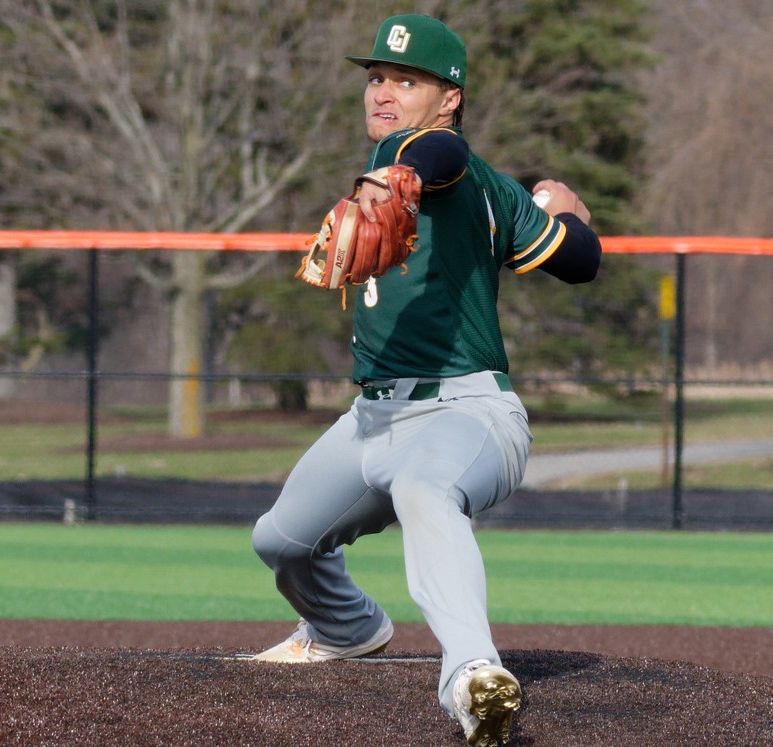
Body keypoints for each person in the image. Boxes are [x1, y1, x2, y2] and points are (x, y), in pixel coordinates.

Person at [250, 13, 601, 746]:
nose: (383, 90)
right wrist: (563, 219)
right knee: (280, 539)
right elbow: (574, 255)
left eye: (407, 81)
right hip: (371, 419)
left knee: (423, 491)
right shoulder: (494, 191)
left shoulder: (437, 160)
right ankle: (346, 627)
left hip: (467, 413)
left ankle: (473, 677)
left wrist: (399, 170)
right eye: (377, 77)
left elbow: (439, 156)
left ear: (450, 98)